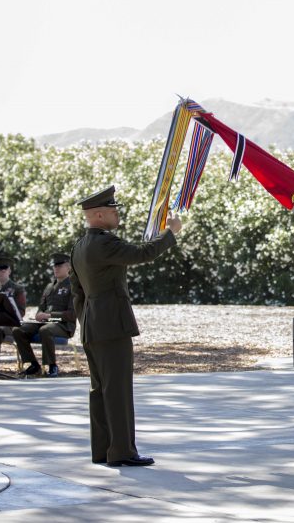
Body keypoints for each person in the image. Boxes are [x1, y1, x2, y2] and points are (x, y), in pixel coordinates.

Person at [70, 185, 182, 467]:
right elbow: (142, 254)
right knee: (117, 390)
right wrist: (170, 234)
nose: (117, 214)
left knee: (100, 390)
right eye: (112, 210)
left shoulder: (79, 247)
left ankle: (103, 449)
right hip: (112, 326)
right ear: (97, 215)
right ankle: (121, 452)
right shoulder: (104, 243)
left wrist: (87, 320)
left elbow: (77, 293)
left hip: (94, 327)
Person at [13, 252, 75, 377]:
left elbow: (72, 314)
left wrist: (49, 315)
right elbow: (41, 308)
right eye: (54, 266)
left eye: (60, 266)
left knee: (46, 330)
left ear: (68, 267)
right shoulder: (49, 287)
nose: (56, 268)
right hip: (45, 323)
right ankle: (33, 364)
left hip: (63, 325)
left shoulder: (73, 286)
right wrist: (38, 315)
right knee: (17, 330)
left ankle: (52, 365)